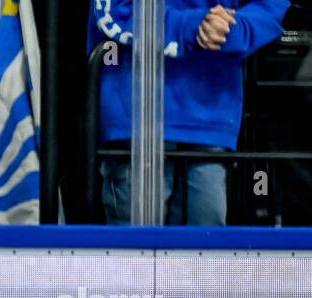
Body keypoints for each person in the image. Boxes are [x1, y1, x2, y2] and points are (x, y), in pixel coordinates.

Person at [91, 0, 290, 225]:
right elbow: (111, 12)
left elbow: (270, 5)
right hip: (138, 118)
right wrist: (193, 25)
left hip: (210, 113)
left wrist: (234, 28)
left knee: (205, 245)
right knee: (137, 252)